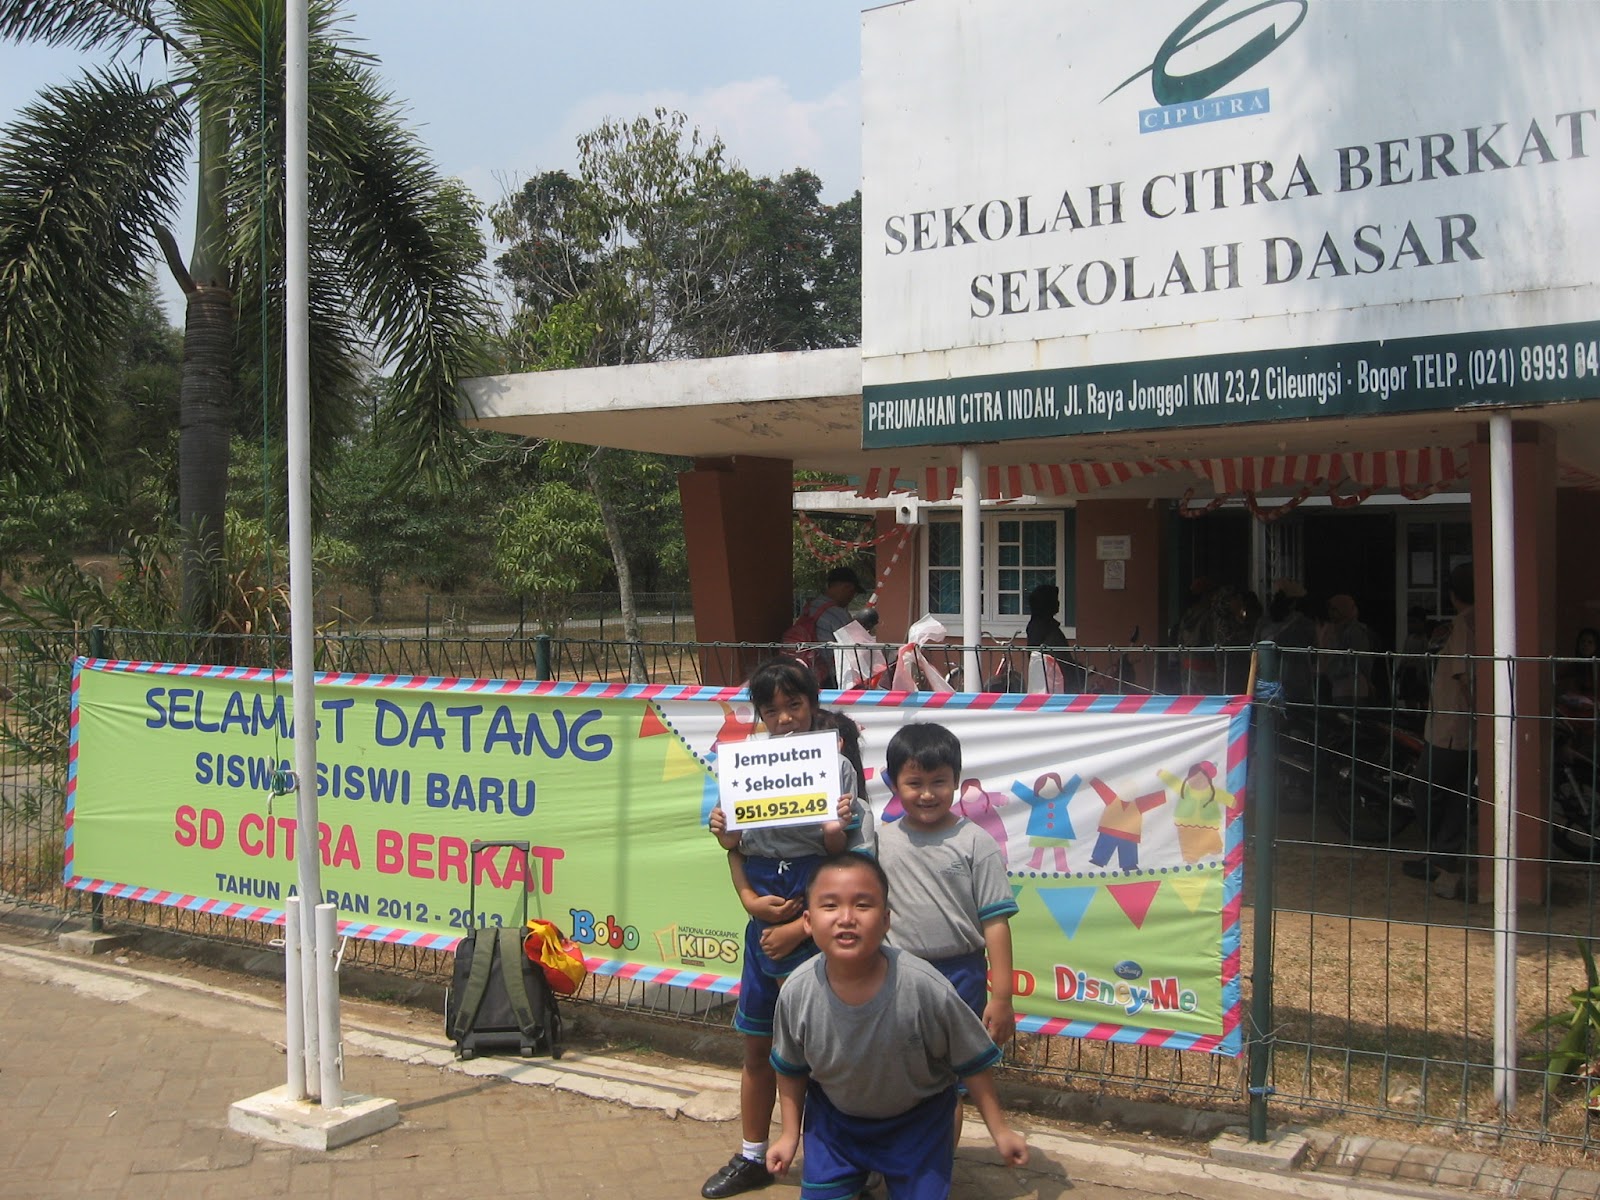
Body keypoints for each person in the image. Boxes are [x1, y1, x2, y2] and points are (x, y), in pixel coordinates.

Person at [701, 657, 875, 1199]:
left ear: (812, 706)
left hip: (815, 919)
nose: (783, 719)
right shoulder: (743, 768)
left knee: (829, 1052)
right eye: (770, 709)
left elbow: (850, 867)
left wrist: (805, 918)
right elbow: (737, 850)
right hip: (763, 922)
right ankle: (754, 1154)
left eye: (794, 705)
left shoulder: (839, 771)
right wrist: (730, 846)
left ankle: (844, 1163)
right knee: (759, 1045)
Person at [766, 854, 1029, 1199]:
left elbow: (973, 1063)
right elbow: (790, 1068)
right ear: (808, 920)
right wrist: (789, 1135)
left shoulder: (924, 986)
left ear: (887, 919)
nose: (846, 918)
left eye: (863, 905)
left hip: (918, 1126)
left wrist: (1000, 1131)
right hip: (835, 1127)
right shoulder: (796, 991)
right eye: (829, 906)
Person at [1403, 562, 1477, 899]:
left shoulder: (1463, 624)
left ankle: (1442, 853)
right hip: (1466, 728)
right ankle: (1444, 862)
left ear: (1452, 593)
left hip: (1453, 726)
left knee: (1422, 788)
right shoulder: (1481, 620)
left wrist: (1477, 713)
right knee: (1455, 797)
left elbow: (1463, 677)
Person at [794, 566, 862, 688]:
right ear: (847, 587)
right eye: (853, 592)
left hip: (804, 670)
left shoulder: (809, 607)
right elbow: (855, 649)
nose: (851, 598)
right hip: (829, 676)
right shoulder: (837, 613)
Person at [1024, 583, 1086, 691]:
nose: (1058, 603)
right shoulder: (1043, 628)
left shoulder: (1043, 625)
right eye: (1055, 600)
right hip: (1054, 682)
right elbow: (1056, 658)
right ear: (1047, 603)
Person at [1319, 593, 1376, 705]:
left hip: (1353, 685)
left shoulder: (1355, 631)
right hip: (1337, 686)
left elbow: (1363, 660)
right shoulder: (1331, 630)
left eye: (1335, 609)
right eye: (1330, 609)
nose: (1331, 613)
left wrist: (1369, 681)